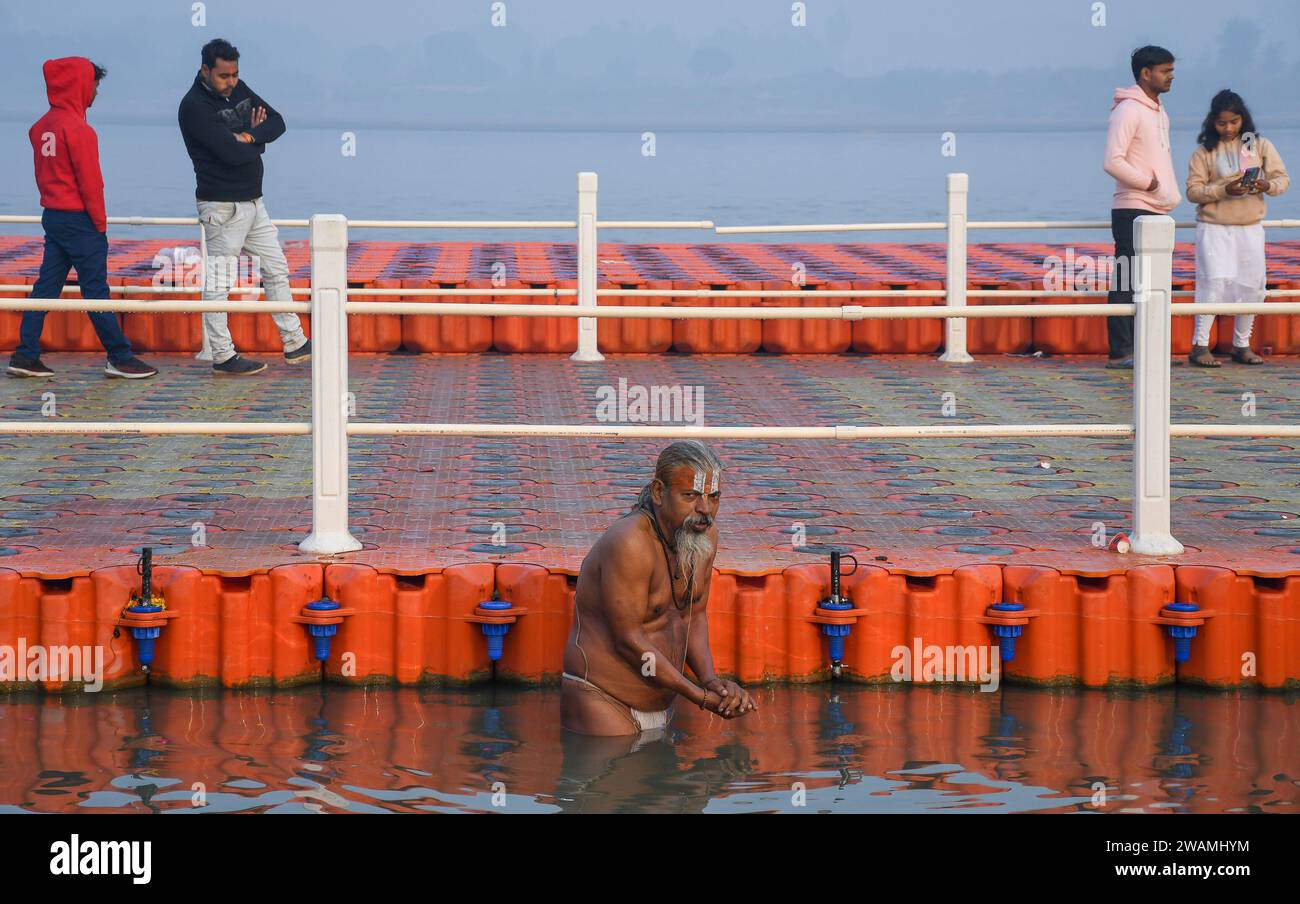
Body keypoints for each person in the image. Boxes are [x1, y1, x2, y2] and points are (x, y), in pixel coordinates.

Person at [562, 440, 756, 737]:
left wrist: (710, 681)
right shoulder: (630, 542)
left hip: (661, 707)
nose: (704, 509)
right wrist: (700, 698)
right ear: (658, 493)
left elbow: (692, 616)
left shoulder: (704, 537)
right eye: (690, 496)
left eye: (714, 497)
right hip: (603, 701)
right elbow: (628, 640)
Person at [8, 58, 157, 379]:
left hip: (53, 216)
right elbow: (91, 184)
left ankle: (25, 354)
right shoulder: (80, 131)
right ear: (78, 85)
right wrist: (99, 225)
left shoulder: (40, 128)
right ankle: (119, 356)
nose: (96, 92)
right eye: (94, 84)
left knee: (45, 289)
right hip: (80, 221)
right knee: (96, 292)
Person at [178, 38, 310, 376]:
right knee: (220, 282)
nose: (231, 82)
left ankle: (294, 342)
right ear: (205, 70)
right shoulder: (193, 106)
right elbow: (229, 154)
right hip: (221, 207)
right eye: (223, 76)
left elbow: (277, 122)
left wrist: (251, 136)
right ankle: (222, 355)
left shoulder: (239, 90)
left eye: (235, 74)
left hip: (254, 201)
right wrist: (253, 138)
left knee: (276, 269)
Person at [1185, 90, 1289, 367]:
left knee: (1252, 286)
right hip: (1214, 227)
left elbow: (1281, 179)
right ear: (1212, 122)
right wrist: (1224, 189)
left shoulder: (1258, 145)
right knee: (1213, 284)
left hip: (1250, 226)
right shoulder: (1204, 151)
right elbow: (1193, 192)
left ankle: (1241, 345)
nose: (1229, 128)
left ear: (1243, 120)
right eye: (1222, 123)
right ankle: (1200, 345)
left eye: (1234, 122)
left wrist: (1265, 185)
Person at [1102, 45, 1181, 369]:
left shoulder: (1159, 111)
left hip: (1159, 210)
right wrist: (1148, 183)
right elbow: (1112, 161)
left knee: (1153, 285)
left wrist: (1164, 192)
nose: (1171, 77)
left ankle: (1148, 351)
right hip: (1133, 208)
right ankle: (1120, 352)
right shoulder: (1128, 110)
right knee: (1127, 280)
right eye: (1165, 71)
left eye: (1172, 70)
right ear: (1145, 73)